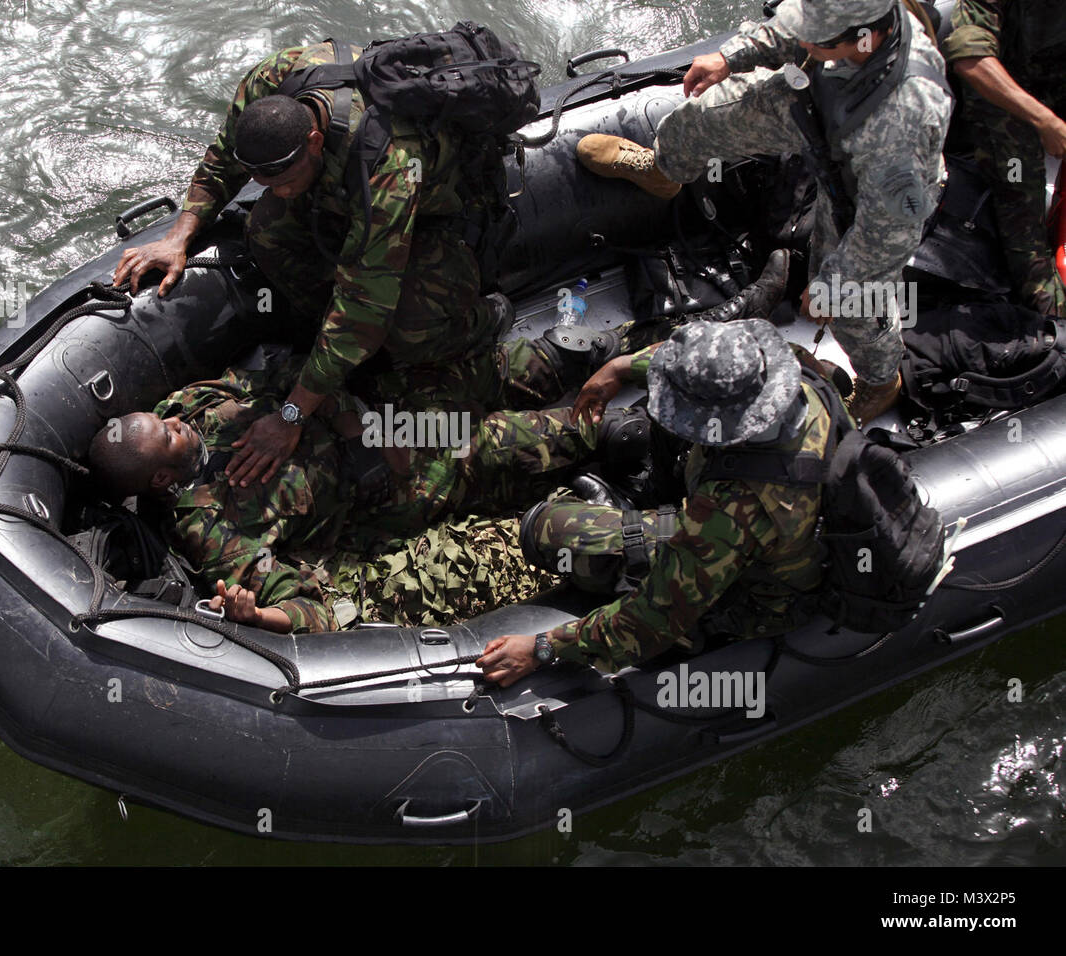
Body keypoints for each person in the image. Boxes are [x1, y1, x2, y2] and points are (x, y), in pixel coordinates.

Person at [111, 40, 514, 489]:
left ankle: (490, 316)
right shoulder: (273, 80)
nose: (279, 191)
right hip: (344, 191)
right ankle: (327, 353)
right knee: (266, 226)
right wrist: (179, 234)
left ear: (314, 142)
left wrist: (291, 414)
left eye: (285, 181)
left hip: (433, 219)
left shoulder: (389, 168)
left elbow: (365, 308)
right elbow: (224, 155)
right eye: (266, 180)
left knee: (405, 336)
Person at [573, 0, 952, 426]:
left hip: (867, 196)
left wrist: (835, 283)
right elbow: (793, 27)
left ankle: (881, 383)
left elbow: (890, 233)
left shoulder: (910, 115)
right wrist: (732, 56)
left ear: (867, 36)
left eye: (815, 37)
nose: (802, 38)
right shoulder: (841, 21)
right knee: (702, 118)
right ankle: (664, 169)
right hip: (813, 100)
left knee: (853, 304)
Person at [87, 350, 635, 634]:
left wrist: (320, 416)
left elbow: (295, 369)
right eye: (168, 436)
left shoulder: (191, 407)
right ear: (161, 479)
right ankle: (621, 462)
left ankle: (610, 387)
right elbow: (304, 608)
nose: (176, 422)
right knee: (496, 448)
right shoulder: (210, 530)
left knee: (502, 401)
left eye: (165, 421)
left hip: (374, 424)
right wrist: (255, 618)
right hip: (390, 493)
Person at [477, 319, 835, 687]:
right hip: (744, 511)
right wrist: (621, 367)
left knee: (547, 529)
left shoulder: (735, 510)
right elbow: (693, 361)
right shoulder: (794, 370)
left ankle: (627, 516)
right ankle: (638, 499)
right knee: (641, 432)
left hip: (749, 586)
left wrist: (543, 648)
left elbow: (651, 620)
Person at [943, 0, 1066, 316]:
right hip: (1004, 92)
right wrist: (1045, 122)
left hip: (1055, 75)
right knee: (1018, 179)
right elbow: (970, 58)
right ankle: (1044, 296)